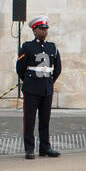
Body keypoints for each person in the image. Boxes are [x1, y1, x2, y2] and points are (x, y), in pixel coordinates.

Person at [16, 16, 63, 159]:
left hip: (46, 88)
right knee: (29, 120)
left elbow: (58, 68)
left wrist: (49, 81)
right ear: (34, 30)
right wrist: (30, 81)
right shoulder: (27, 46)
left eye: (45, 29)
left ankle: (45, 147)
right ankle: (29, 149)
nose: (44, 31)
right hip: (31, 88)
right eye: (41, 29)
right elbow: (20, 68)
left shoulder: (52, 47)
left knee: (45, 120)